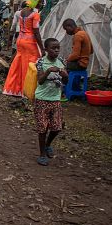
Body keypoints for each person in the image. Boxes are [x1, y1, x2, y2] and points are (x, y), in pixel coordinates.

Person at [34, 38, 67, 166]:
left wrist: (65, 76)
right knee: (42, 128)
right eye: (53, 48)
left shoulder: (61, 62)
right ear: (46, 49)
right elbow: (40, 81)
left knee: (57, 127)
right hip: (41, 99)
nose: (56, 50)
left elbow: (65, 83)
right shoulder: (41, 62)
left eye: (58, 48)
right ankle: (42, 154)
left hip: (55, 99)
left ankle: (47, 145)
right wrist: (48, 71)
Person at [3, 0, 43, 97]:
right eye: (40, 1)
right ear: (35, 2)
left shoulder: (21, 12)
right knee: (31, 64)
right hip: (30, 42)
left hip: (20, 40)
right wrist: (42, 47)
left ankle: (13, 88)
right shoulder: (35, 14)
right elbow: (36, 32)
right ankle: (27, 90)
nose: (42, 3)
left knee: (18, 63)